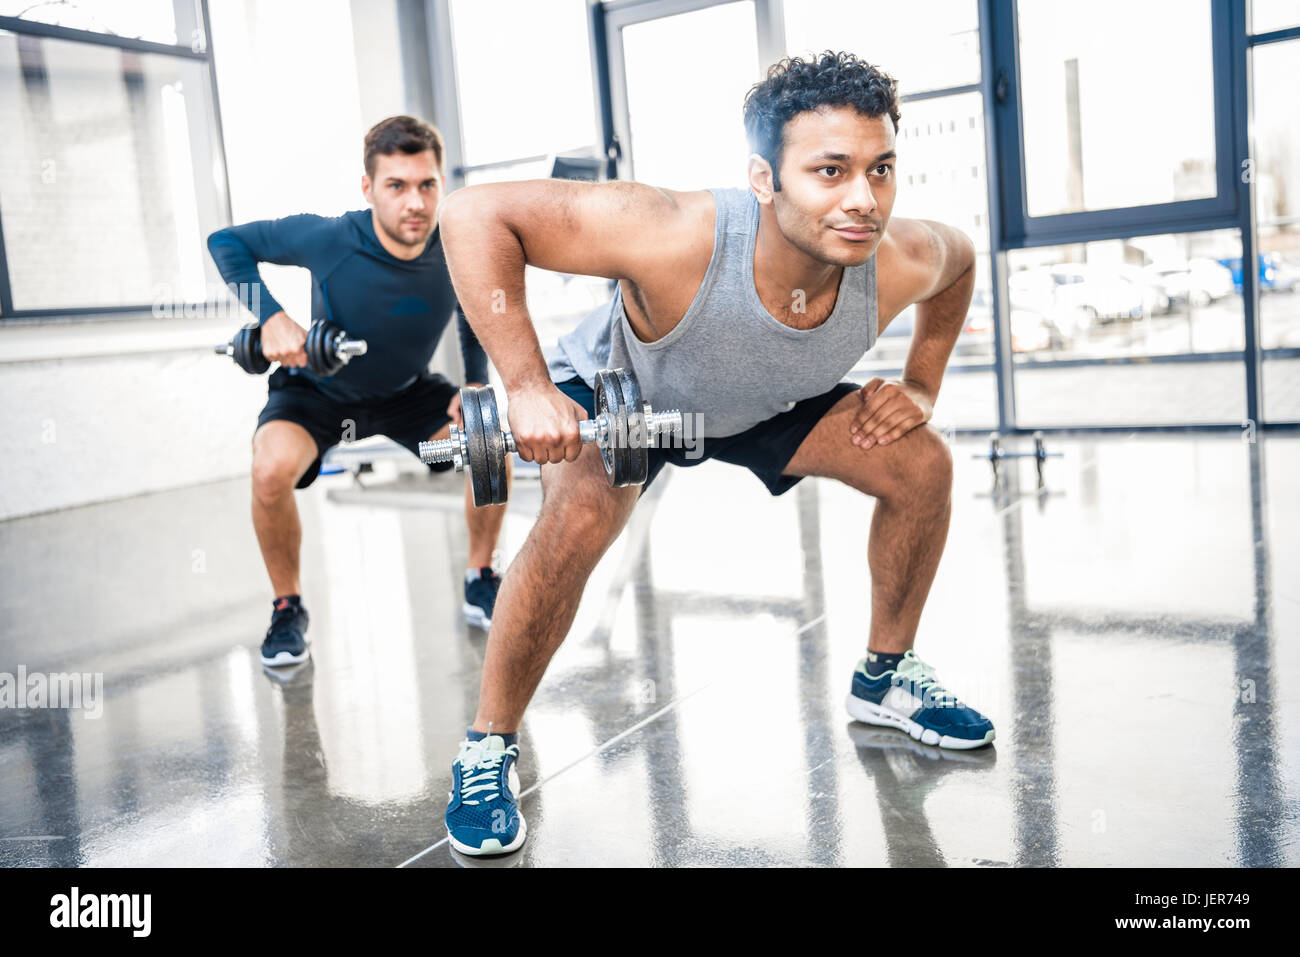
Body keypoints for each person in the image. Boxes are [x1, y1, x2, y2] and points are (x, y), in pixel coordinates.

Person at [436, 52, 994, 856]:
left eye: (881, 170)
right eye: (829, 171)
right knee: (584, 510)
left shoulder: (899, 258)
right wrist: (523, 383)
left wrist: (922, 382)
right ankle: (489, 745)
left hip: (763, 401)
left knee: (921, 464)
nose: (862, 200)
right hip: (628, 385)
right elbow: (474, 215)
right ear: (764, 179)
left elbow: (963, 258)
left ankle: (886, 678)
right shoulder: (673, 230)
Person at [207, 115, 509, 668]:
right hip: (317, 391)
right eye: (396, 186)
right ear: (368, 189)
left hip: (405, 391)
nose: (414, 202)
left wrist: (472, 383)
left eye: (427, 185)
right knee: (270, 470)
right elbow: (226, 241)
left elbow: (474, 313)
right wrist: (271, 317)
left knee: (487, 439)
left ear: (441, 184)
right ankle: (287, 607)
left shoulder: (458, 244)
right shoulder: (329, 237)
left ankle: (480, 575)